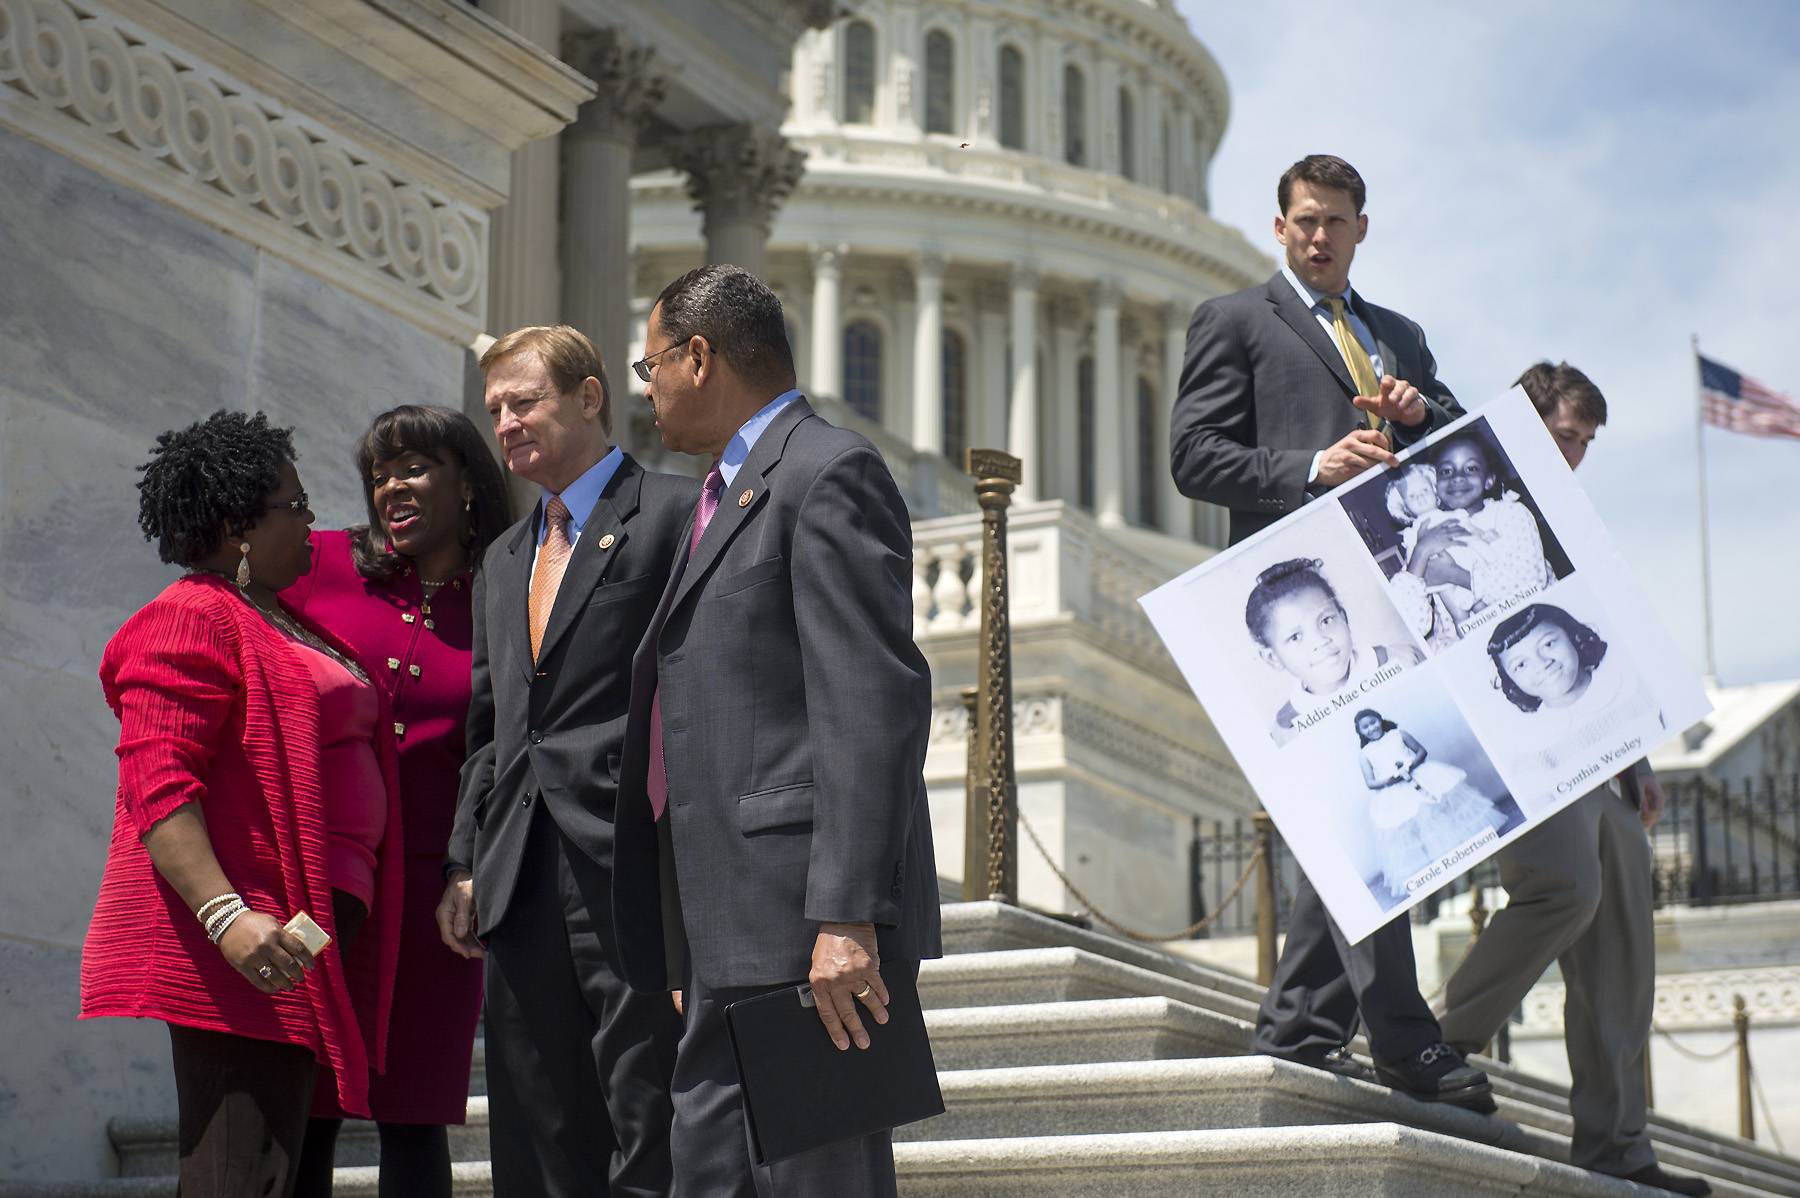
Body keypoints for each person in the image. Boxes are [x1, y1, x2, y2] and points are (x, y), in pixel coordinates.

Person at [611, 264, 941, 1197]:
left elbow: (869, 702)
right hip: (727, 928)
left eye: (650, 364)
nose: (649, 387)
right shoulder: (723, 492)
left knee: (817, 1183)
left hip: (807, 927)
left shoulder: (827, 471)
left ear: (699, 356)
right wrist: (688, 938)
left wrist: (847, 915)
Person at [1170, 153, 1490, 1110]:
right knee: (1361, 807)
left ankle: (1299, 1029)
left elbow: (1462, 448)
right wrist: (1313, 467)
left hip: (1394, 604)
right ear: (1280, 228)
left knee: (1362, 810)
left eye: (1335, 220)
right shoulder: (1234, 321)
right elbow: (1194, 456)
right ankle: (1405, 1042)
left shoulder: (1400, 336)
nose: (1319, 235)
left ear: (1360, 229)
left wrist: (1420, 414)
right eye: (1304, 220)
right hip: (1303, 612)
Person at [82, 411, 402, 1197]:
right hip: (248, 936)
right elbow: (158, 781)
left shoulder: (280, 617)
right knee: (239, 1171)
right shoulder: (191, 614)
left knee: (282, 1170)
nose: (311, 521)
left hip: (310, 930)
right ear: (237, 529)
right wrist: (227, 917)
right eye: (295, 505)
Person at [1439, 361, 1710, 1197]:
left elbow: (1606, 646)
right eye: (1565, 437)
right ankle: (1438, 1043)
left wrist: (1641, 758)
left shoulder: (1577, 523)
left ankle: (1618, 1145)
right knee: (1566, 890)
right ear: (1524, 426)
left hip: (1605, 757)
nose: (1576, 455)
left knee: (1622, 948)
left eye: (1585, 442)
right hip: (1527, 752)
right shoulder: (1469, 519)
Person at [441, 326, 692, 1197]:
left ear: (590, 397)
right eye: (496, 409)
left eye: (525, 401)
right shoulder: (503, 558)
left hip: (629, 862)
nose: (506, 423)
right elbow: (490, 728)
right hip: (518, 877)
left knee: (646, 1112)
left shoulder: (675, 515)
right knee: (535, 1130)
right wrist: (464, 862)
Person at [281, 405, 512, 1197]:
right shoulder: (321, 562)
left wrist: (470, 869)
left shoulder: (506, 594)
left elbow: (500, 748)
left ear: (468, 484)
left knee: (414, 1116)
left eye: (414, 468)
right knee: (308, 1110)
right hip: (322, 881)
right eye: (380, 475)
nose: (391, 488)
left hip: (435, 897)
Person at [1390, 431, 1550, 643]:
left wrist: (1453, 574)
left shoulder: (1509, 514)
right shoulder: (1424, 534)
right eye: (1446, 471)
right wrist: (1421, 551)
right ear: (1435, 483)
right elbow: (1412, 626)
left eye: (1471, 468)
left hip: (1527, 633)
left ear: (1489, 479)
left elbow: (1529, 585)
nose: (1457, 477)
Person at [1243, 557, 1422, 746]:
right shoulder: (1286, 732)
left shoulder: (1403, 659)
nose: (1320, 641)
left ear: (1343, 618)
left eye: (1326, 621)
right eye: (1295, 637)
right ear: (1273, 658)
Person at [1352, 709, 1521, 906]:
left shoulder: (1398, 734)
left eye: (1373, 722)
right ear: (1360, 732)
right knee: (1418, 822)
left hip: (1421, 775)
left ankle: (1468, 854)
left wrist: (1409, 766)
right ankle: (1447, 873)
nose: (1371, 728)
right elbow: (1371, 783)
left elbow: (1421, 752)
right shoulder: (1365, 754)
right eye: (1365, 727)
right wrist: (1391, 779)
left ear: (1380, 720)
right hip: (1395, 790)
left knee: (1439, 812)